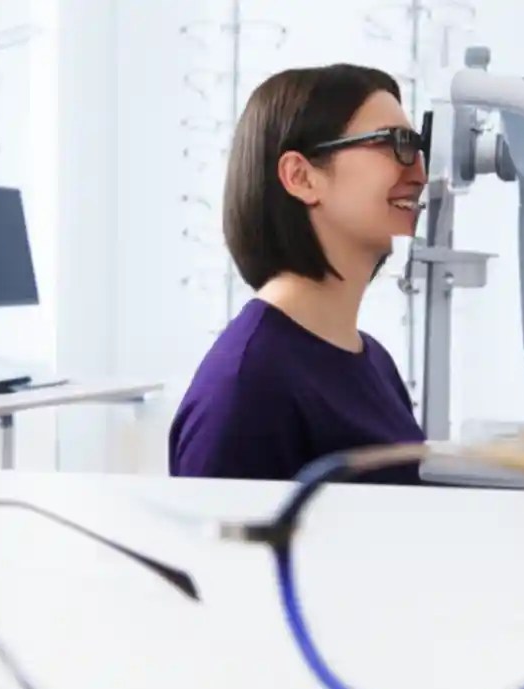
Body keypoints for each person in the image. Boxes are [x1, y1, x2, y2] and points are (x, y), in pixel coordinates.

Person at [168, 64, 427, 481]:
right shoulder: (247, 386)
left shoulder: (375, 363)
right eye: (395, 143)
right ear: (301, 177)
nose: (419, 174)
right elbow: (219, 548)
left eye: (418, 146)